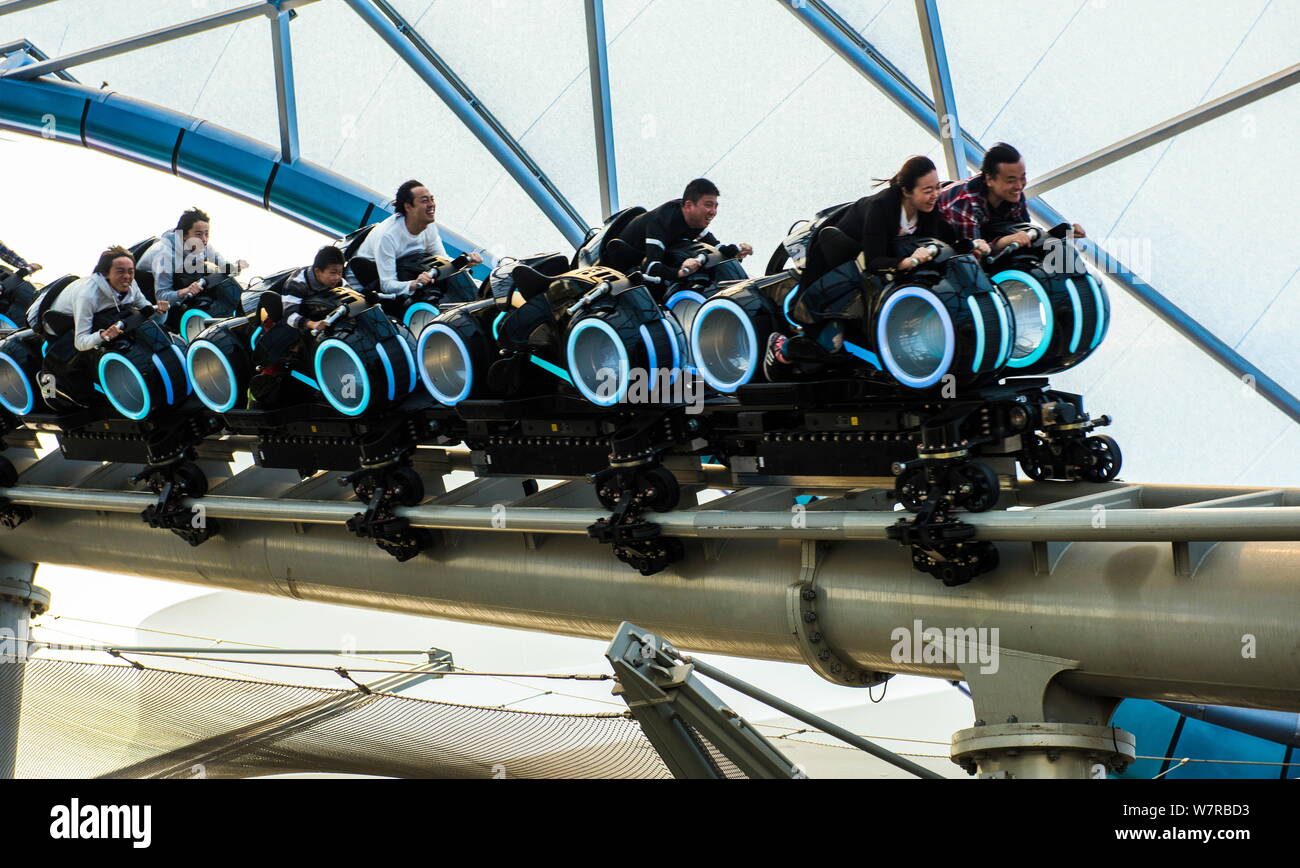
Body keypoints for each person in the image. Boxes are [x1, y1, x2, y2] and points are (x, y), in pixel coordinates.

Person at [764, 156, 980, 376]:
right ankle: (783, 347)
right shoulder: (882, 206)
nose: (935, 195)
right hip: (838, 268)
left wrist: (969, 246)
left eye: (936, 188)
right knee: (831, 344)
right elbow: (875, 261)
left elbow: (940, 241)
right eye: (927, 190)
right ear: (906, 191)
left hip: (873, 278)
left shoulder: (927, 209)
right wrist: (905, 262)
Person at [937, 142, 1086, 251]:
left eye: (1022, 177)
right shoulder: (964, 203)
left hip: (982, 230)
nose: (1019, 185)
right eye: (1011, 180)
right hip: (939, 238)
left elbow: (1023, 233)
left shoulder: (1013, 194)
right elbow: (975, 256)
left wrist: (1065, 233)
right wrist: (1004, 241)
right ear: (989, 179)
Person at [605, 178, 753, 285]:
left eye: (716, 206)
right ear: (689, 205)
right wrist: (678, 272)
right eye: (708, 205)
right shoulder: (661, 222)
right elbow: (652, 267)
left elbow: (717, 247)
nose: (713, 212)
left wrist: (736, 250)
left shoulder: (694, 220)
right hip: (620, 269)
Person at [348, 180, 483, 296]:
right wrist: (414, 284)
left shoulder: (428, 226)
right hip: (361, 281)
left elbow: (442, 259)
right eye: (425, 201)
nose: (431, 204)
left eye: (432, 199)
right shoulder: (388, 236)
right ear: (408, 207)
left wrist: (464, 261)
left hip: (400, 269)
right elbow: (387, 285)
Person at [136, 207, 248, 305]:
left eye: (207, 233)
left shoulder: (201, 244)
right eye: (198, 234)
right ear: (184, 235)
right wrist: (185, 291)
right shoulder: (165, 257)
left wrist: (234, 267)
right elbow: (162, 297)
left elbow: (223, 264)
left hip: (183, 273)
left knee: (214, 275)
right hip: (151, 291)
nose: (204, 239)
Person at [281, 245, 353, 334]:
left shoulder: (338, 281)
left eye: (340, 272)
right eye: (333, 273)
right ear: (318, 271)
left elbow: (353, 298)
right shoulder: (296, 284)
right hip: (305, 326)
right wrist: (312, 324)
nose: (337, 277)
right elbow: (289, 316)